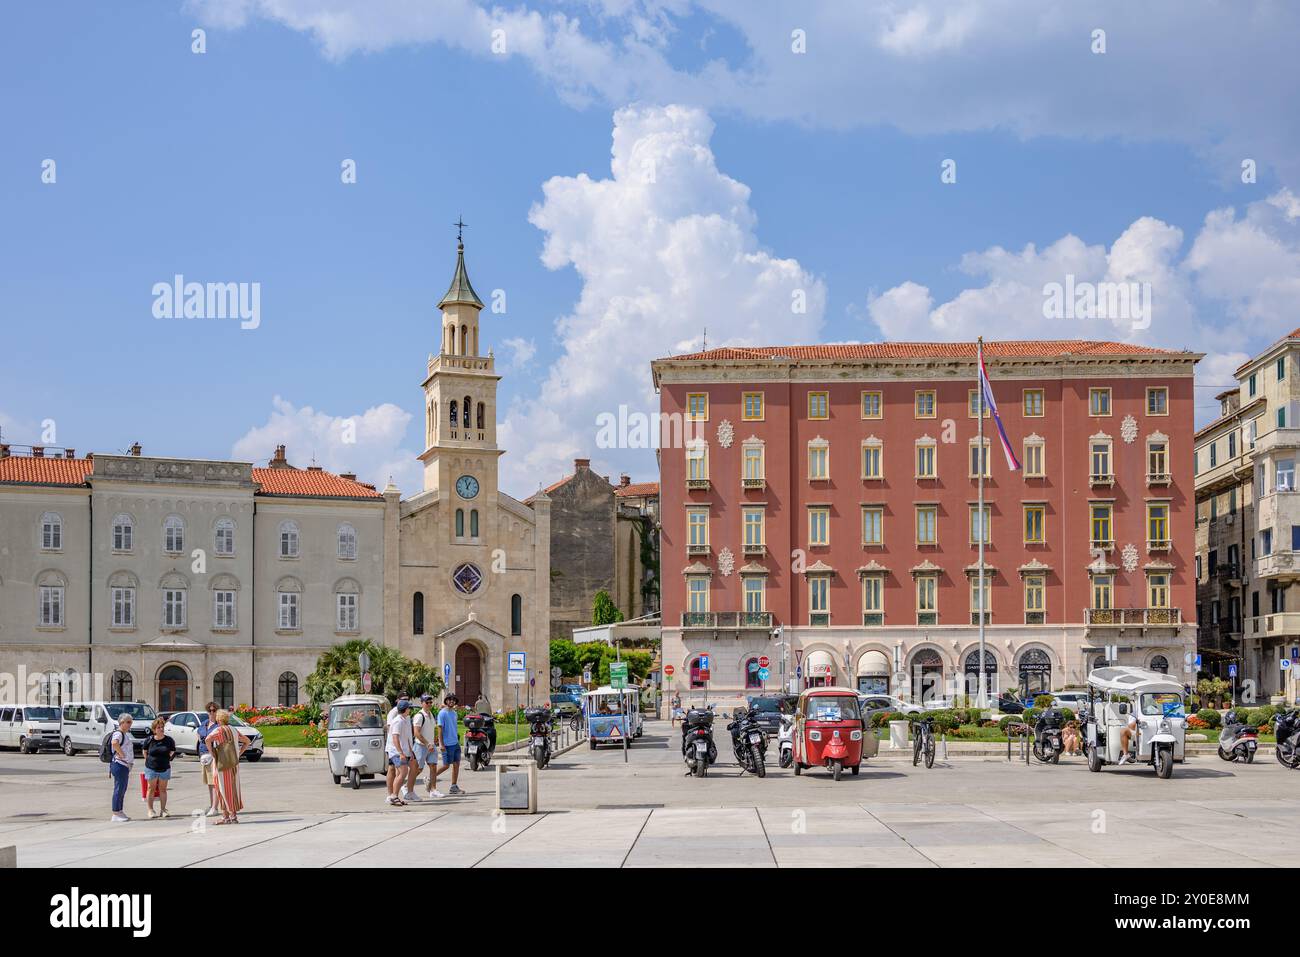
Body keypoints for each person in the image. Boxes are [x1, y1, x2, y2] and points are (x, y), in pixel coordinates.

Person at [204, 709, 249, 824]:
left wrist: (212, 752)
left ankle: (225, 817)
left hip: (222, 764)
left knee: (222, 788)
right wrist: (239, 753)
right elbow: (247, 741)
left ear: (218, 720)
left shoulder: (219, 730)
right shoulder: (234, 730)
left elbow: (207, 739)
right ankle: (233, 816)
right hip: (233, 763)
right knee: (233, 789)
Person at [143, 718, 177, 819]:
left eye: (162, 727)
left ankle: (163, 810)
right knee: (151, 788)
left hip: (165, 768)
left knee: (163, 789)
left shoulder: (169, 740)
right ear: (154, 729)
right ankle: (150, 810)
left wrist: (167, 759)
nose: (161, 729)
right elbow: (144, 751)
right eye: (158, 727)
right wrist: (148, 760)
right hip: (151, 768)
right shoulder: (149, 740)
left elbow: (172, 751)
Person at [385, 698, 416, 806]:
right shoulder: (398, 721)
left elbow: (407, 738)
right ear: (406, 709)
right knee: (403, 773)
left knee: (400, 773)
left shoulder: (404, 720)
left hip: (404, 751)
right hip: (396, 752)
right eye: (409, 708)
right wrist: (401, 753)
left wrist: (410, 751)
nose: (410, 710)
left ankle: (395, 796)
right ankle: (393, 796)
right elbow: (395, 738)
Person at [413, 694, 444, 798]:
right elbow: (416, 733)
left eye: (431, 702)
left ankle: (433, 790)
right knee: (418, 769)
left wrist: (434, 740)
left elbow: (431, 728)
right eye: (427, 702)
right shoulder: (419, 716)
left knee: (433, 767)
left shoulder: (431, 714)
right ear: (422, 703)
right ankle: (406, 787)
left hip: (431, 746)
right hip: (421, 746)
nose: (429, 704)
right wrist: (427, 743)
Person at [108, 713, 135, 823]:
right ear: (121, 723)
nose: (130, 725)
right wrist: (122, 755)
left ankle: (119, 810)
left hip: (123, 765)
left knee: (122, 788)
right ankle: (116, 812)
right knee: (119, 789)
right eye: (128, 722)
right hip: (119, 764)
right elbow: (114, 743)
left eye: (131, 722)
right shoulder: (119, 734)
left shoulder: (123, 734)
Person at [434, 694, 463, 795]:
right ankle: (430, 778)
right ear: (446, 701)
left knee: (456, 764)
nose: (451, 701)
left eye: (453, 700)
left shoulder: (454, 713)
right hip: (446, 744)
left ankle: (453, 786)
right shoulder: (442, 713)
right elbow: (440, 729)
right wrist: (441, 744)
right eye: (449, 699)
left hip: (455, 743)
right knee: (446, 765)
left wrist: (457, 740)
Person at [196, 702, 220, 817]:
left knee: (215, 783)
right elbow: (199, 733)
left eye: (214, 710)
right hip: (204, 756)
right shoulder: (205, 723)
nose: (212, 712)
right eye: (209, 710)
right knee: (209, 784)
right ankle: (211, 805)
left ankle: (215, 807)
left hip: (214, 755)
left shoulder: (219, 725)